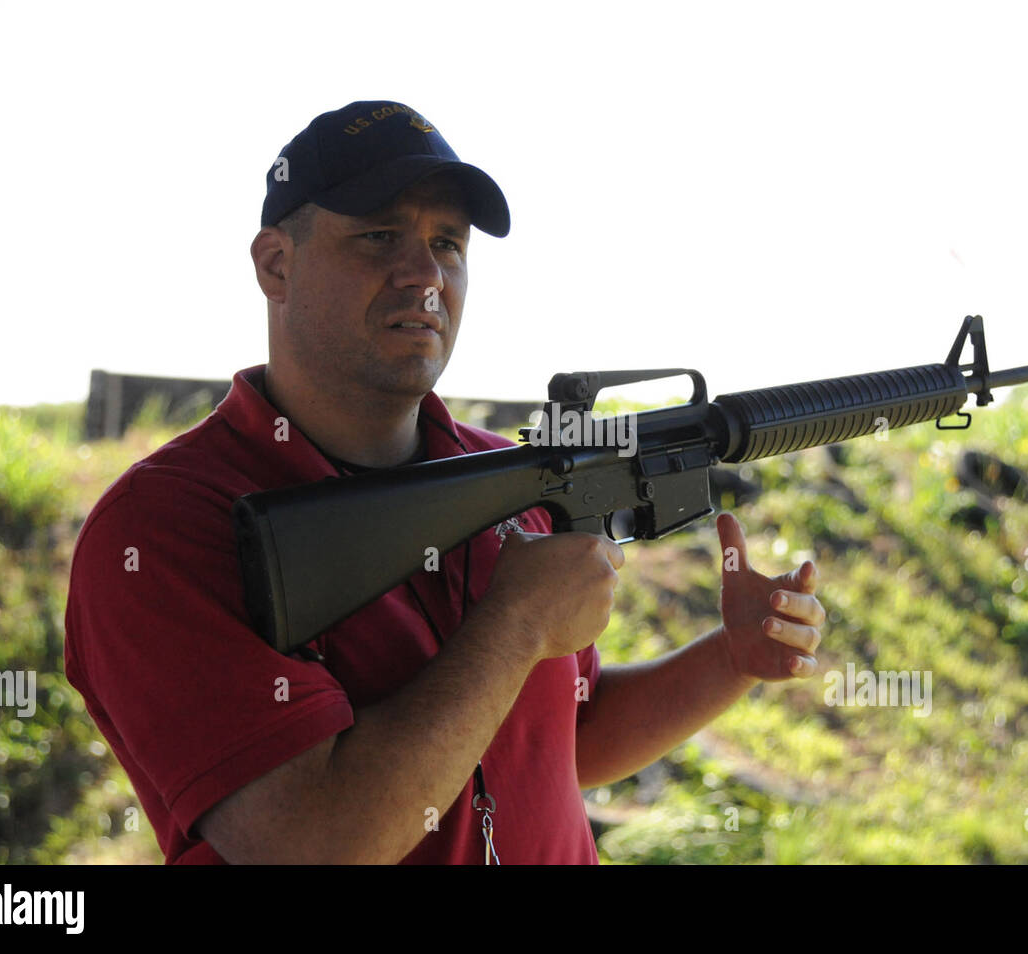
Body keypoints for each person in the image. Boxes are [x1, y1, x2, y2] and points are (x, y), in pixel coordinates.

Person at [63, 100, 827, 865]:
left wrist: (730, 659)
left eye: (447, 244)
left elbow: (565, 739)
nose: (425, 275)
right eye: (378, 236)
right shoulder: (161, 528)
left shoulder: (511, 478)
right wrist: (516, 624)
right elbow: (317, 844)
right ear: (275, 265)